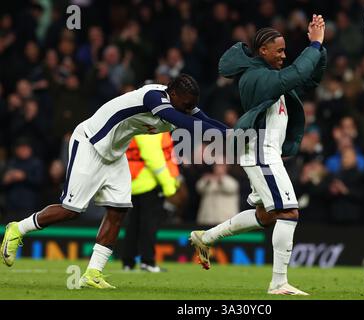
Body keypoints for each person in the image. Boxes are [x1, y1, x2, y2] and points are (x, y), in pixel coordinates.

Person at [1, 73, 228, 289]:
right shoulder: (153, 97)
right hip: (90, 144)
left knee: (118, 211)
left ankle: (93, 274)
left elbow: (205, 119)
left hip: (115, 153)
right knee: (71, 210)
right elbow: (184, 121)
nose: (189, 109)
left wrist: (235, 135)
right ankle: (17, 229)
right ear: (174, 94)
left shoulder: (181, 102)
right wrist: (217, 133)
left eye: (191, 105)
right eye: (186, 104)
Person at [190, 15, 327, 295]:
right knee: (288, 211)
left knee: (266, 215)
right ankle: (278, 283)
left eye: (286, 50)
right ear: (262, 51)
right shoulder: (256, 77)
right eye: (279, 51)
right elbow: (297, 74)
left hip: (264, 151)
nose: (284, 55)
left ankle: (206, 237)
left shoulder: (268, 74)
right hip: (261, 150)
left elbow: (309, 79)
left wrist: (319, 49)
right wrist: (312, 45)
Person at [121, 132, 180, 272]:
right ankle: (147, 261)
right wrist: (168, 185)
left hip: (135, 182)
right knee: (149, 225)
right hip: (150, 183)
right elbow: (154, 158)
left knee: (133, 225)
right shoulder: (151, 128)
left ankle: (128, 262)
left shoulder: (137, 125)